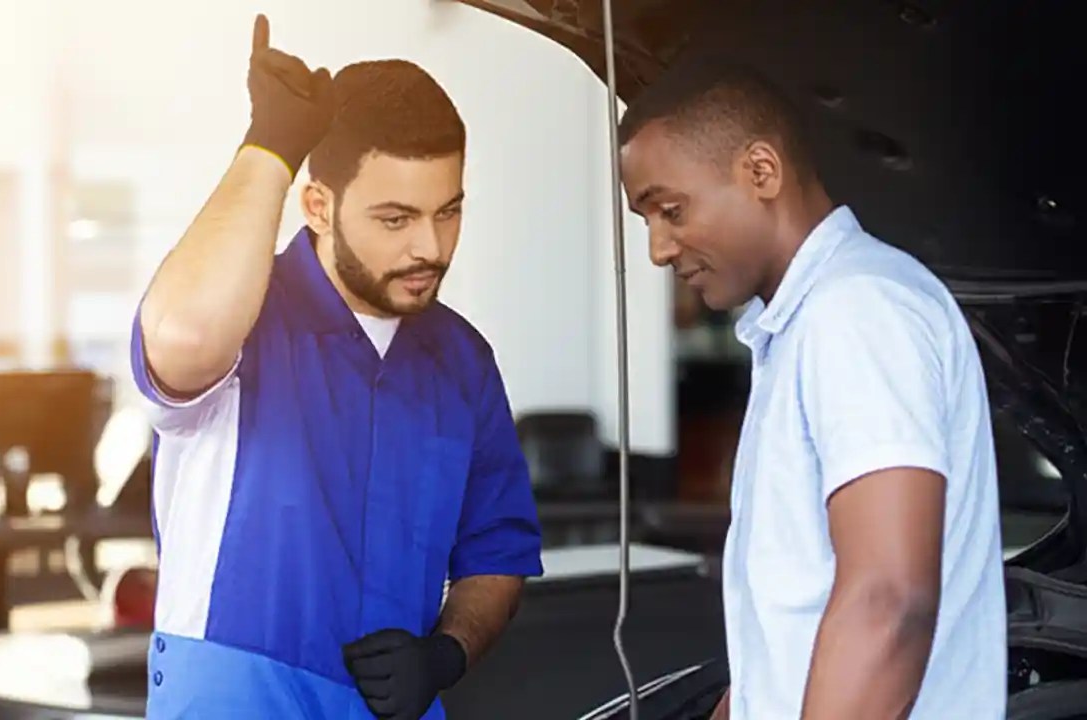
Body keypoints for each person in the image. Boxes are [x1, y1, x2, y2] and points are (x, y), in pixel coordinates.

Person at [132, 15, 543, 719]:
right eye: (395, 218)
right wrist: (267, 150)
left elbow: (496, 553)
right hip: (235, 699)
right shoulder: (244, 316)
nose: (431, 247)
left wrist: (444, 654)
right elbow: (185, 334)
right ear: (318, 206)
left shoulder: (463, 361)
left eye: (448, 212)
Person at [617, 61, 1006, 719]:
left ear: (761, 172)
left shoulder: (856, 309)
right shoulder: (806, 325)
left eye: (671, 210)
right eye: (645, 220)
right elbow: (802, 616)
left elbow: (887, 599)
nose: (657, 248)